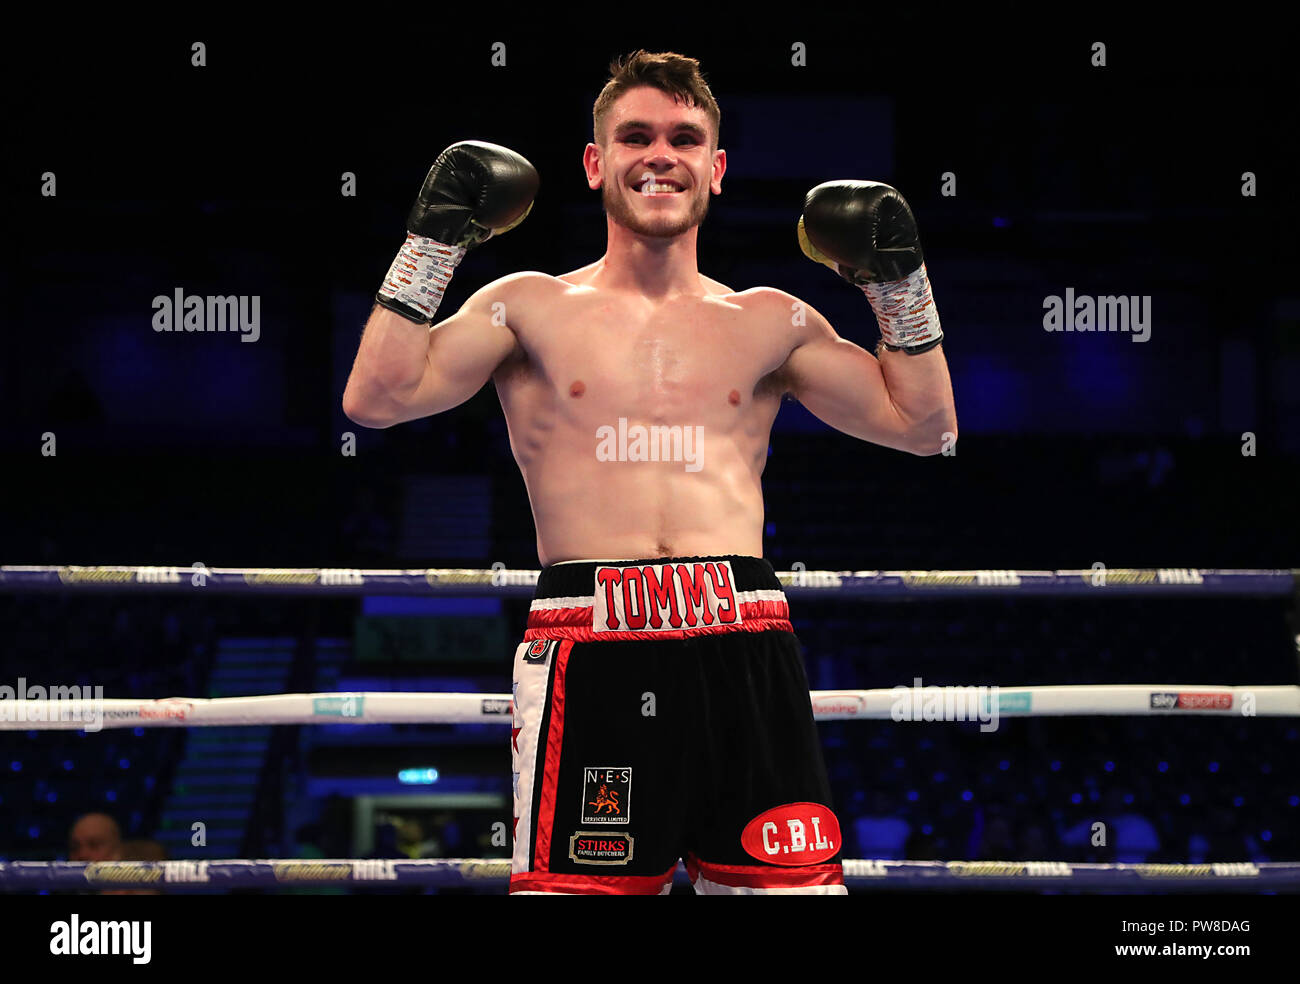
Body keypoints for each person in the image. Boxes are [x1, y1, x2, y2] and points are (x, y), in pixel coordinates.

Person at [344, 50, 957, 895]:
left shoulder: (774, 318)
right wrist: (433, 241)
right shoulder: (527, 305)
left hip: (743, 640)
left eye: (684, 137)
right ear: (597, 163)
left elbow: (926, 429)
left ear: (717, 167)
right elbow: (377, 397)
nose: (660, 155)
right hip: (590, 643)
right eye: (634, 137)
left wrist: (900, 287)